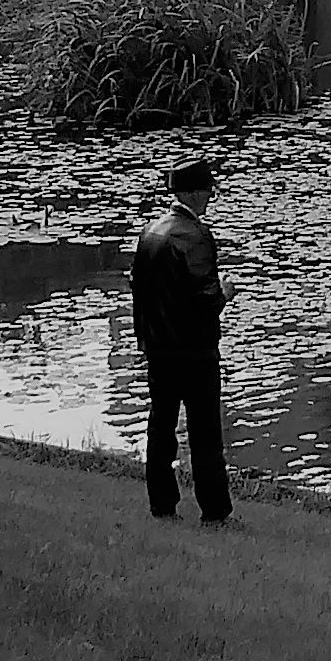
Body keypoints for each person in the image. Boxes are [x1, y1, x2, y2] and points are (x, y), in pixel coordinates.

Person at [130, 158, 234, 523]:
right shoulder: (197, 237)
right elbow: (205, 301)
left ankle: (161, 502)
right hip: (194, 350)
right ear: (192, 193)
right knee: (205, 432)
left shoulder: (149, 233)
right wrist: (225, 292)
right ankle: (215, 509)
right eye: (207, 191)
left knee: (160, 426)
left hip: (159, 348)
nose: (210, 197)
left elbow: (139, 293)